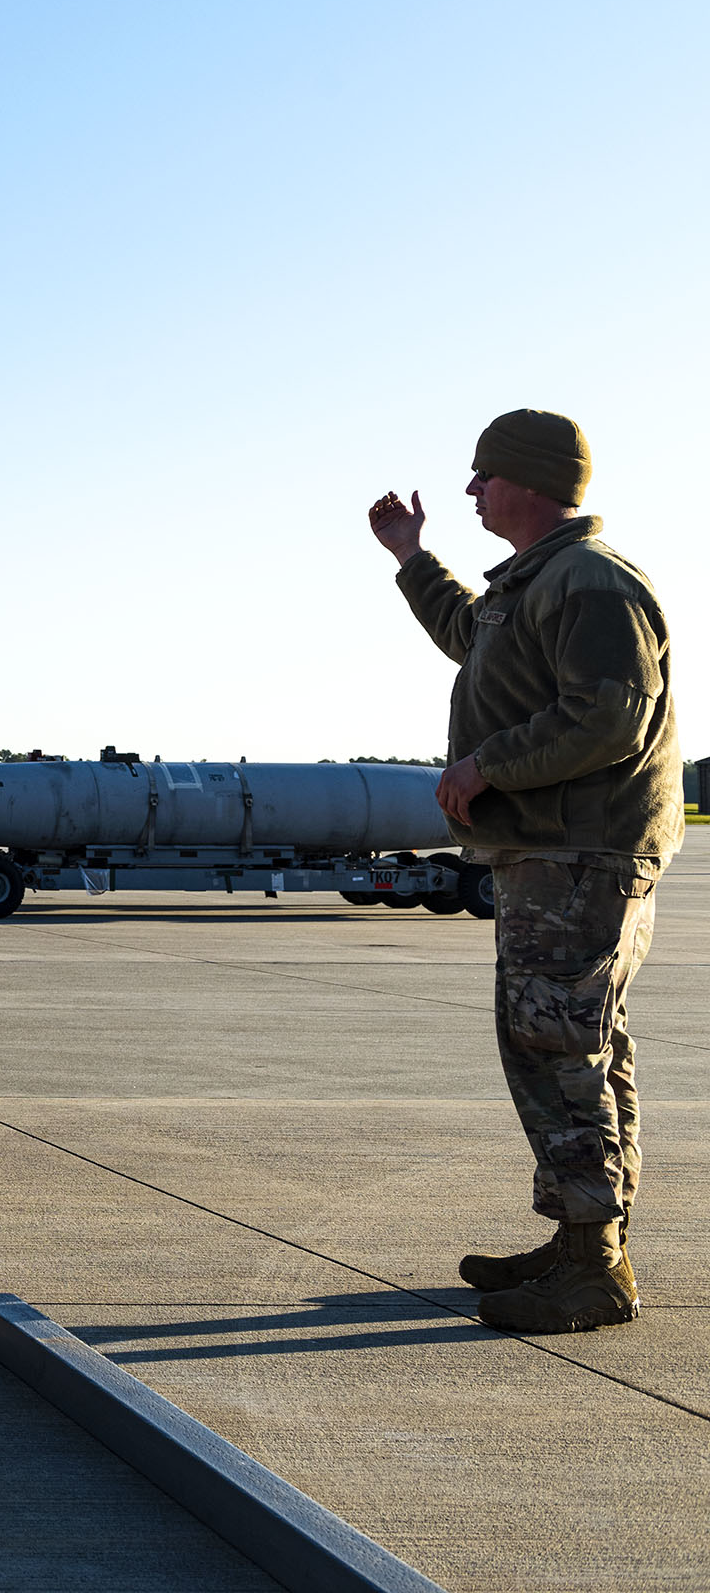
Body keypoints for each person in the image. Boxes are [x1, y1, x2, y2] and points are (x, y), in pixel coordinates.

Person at [369, 409, 679, 1333]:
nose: (469, 490)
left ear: (531, 480)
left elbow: (608, 715)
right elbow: (476, 636)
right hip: (552, 854)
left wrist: (487, 766)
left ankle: (592, 1268)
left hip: (579, 855)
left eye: (482, 475)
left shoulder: (590, 581)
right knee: (573, 1046)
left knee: (559, 1048)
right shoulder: (538, 583)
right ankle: (587, 1242)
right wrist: (411, 557)